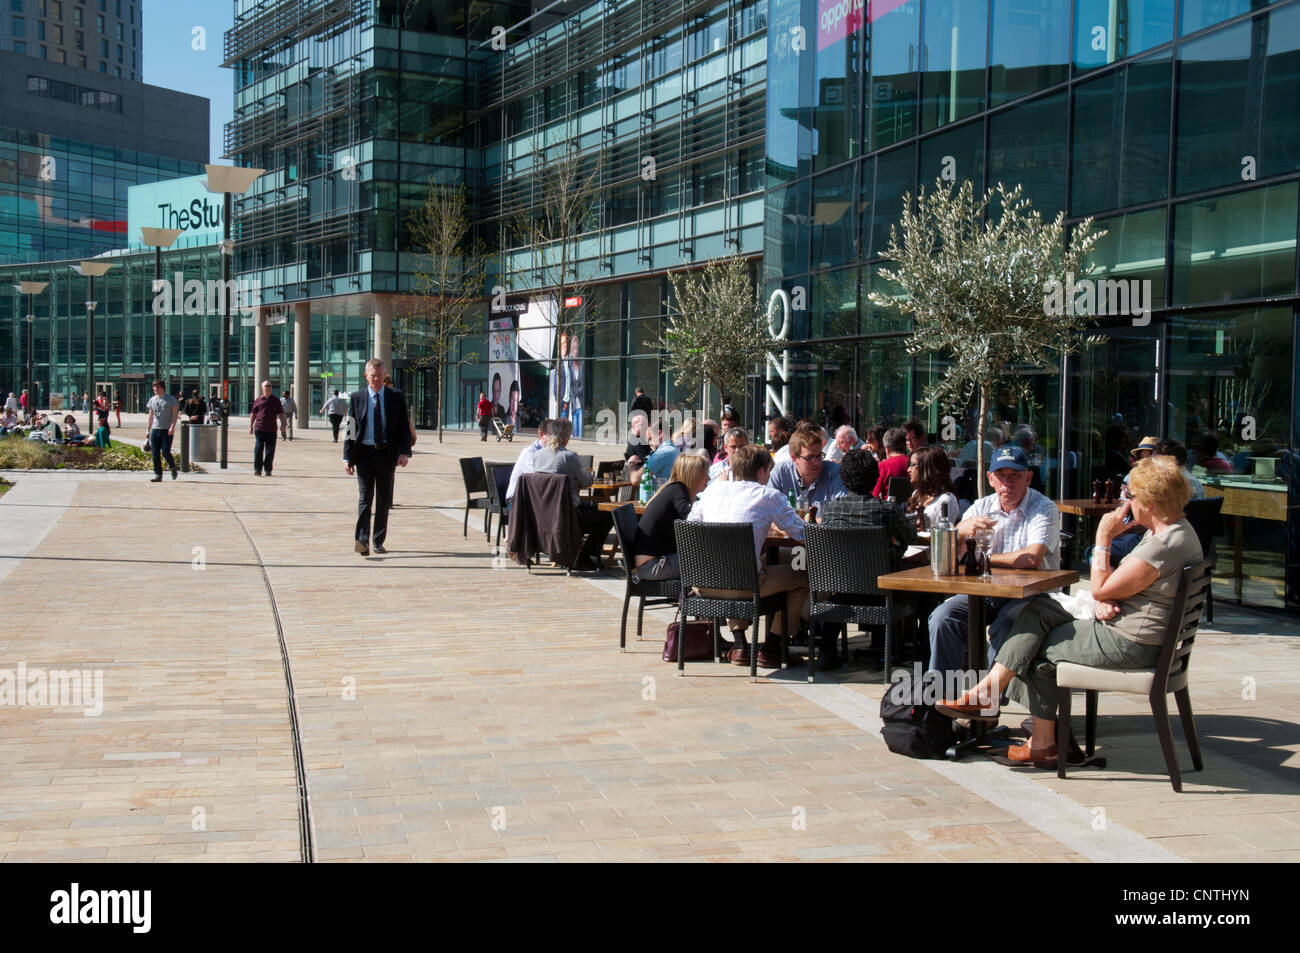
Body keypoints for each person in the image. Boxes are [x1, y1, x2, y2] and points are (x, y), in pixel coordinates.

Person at [938, 456, 1203, 765]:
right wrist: (1108, 595)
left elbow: (1100, 587)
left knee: (1032, 642)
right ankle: (1019, 720)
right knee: (1039, 610)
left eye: (1130, 496)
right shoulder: (1177, 533)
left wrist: (1103, 538)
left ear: (1152, 502)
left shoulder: (1163, 545)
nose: (1125, 502)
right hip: (1139, 634)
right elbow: (1122, 584)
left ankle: (1035, 735)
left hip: (1131, 643)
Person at [927, 445, 1061, 679]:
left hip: (1031, 595)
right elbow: (952, 560)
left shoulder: (1044, 508)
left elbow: (1031, 558)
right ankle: (941, 701)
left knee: (1005, 625)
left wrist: (985, 560)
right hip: (986, 594)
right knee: (942, 617)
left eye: (1015, 476)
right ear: (990, 478)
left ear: (1028, 478)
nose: (1007, 483)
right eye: (1001, 476)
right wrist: (958, 533)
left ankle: (986, 705)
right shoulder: (981, 507)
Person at [686, 444, 808, 669]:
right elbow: (802, 534)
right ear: (761, 471)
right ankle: (773, 647)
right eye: (769, 472)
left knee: (743, 562)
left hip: (699, 582)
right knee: (802, 575)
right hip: (744, 586)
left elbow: (690, 527)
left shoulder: (712, 490)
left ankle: (740, 644)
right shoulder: (768, 495)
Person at [343, 358, 412, 556]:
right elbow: (351, 429)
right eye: (374, 376)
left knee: (383, 500)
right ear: (366, 376)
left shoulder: (395, 396)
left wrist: (404, 452)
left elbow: (403, 428)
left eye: (380, 376)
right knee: (365, 498)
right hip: (364, 454)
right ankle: (362, 540)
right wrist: (347, 457)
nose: (377, 380)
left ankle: (378, 540)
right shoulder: (357, 398)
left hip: (387, 455)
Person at [531, 418, 612, 572]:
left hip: (544, 515)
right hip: (569, 516)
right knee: (608, 514)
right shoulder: (569, 456)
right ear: (568, 437)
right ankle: (585, 554)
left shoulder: (538, 456)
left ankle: (577, 553)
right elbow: (588, 481)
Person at [631, 453, 710, 582]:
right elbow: (690, 517)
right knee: (710, 561)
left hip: (650, 563)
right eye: (705, 474)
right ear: (693, 476)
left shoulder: (672, 489)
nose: (708, 478)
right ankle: (700, 600)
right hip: (652, 566)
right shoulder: (678, 490)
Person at [768, 426, 846, 507]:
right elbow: (769, 508)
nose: (817, 462)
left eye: (819, 456)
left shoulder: (833, 472)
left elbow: (840, 511)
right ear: (794, 458)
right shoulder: (781, 472)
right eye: (810, 458)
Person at [905, 444, 960, 529]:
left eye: (913, 465)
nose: (908, 470)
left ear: (928, 468)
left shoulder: (945, 500)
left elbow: (945, 533)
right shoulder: (916, 494)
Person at [506, 418, 550, 502]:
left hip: (534, 498)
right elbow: (538, 479)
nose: (558, 439)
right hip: (517, 500)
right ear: (541, 435)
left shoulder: (551, 452)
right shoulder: (530, 453)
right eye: (553, 435)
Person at [145, 379, 180, 482]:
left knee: (165, 452)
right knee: (155, 453)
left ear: (163, 388)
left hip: (166, 429)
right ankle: (158, 475)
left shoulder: (170, 399)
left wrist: (172, 426)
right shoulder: (152, 400)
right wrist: (148, 430)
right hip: (155, 429)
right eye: (154, 387)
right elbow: (150, 416)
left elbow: (175, 414)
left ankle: (173, 467)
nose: (155, 389)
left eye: (158, 387)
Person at [249, 381, 283, 477]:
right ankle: (257, 469)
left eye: (269, 386)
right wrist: (250, 426)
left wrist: (283, 425)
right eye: (266, 386)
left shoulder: (276, 400)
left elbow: (281, 414)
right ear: (262, 388)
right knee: (259, 448)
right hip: (259, 428)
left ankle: (268, 469)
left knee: (270, 450)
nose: (268, 387)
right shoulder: (258, 400)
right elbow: (253, 414)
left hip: (272, 429)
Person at [873, 427, 910, 499]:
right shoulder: (913, 462)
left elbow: (875, 494)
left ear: (886, 449)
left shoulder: (883, 466)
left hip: (889, 507)